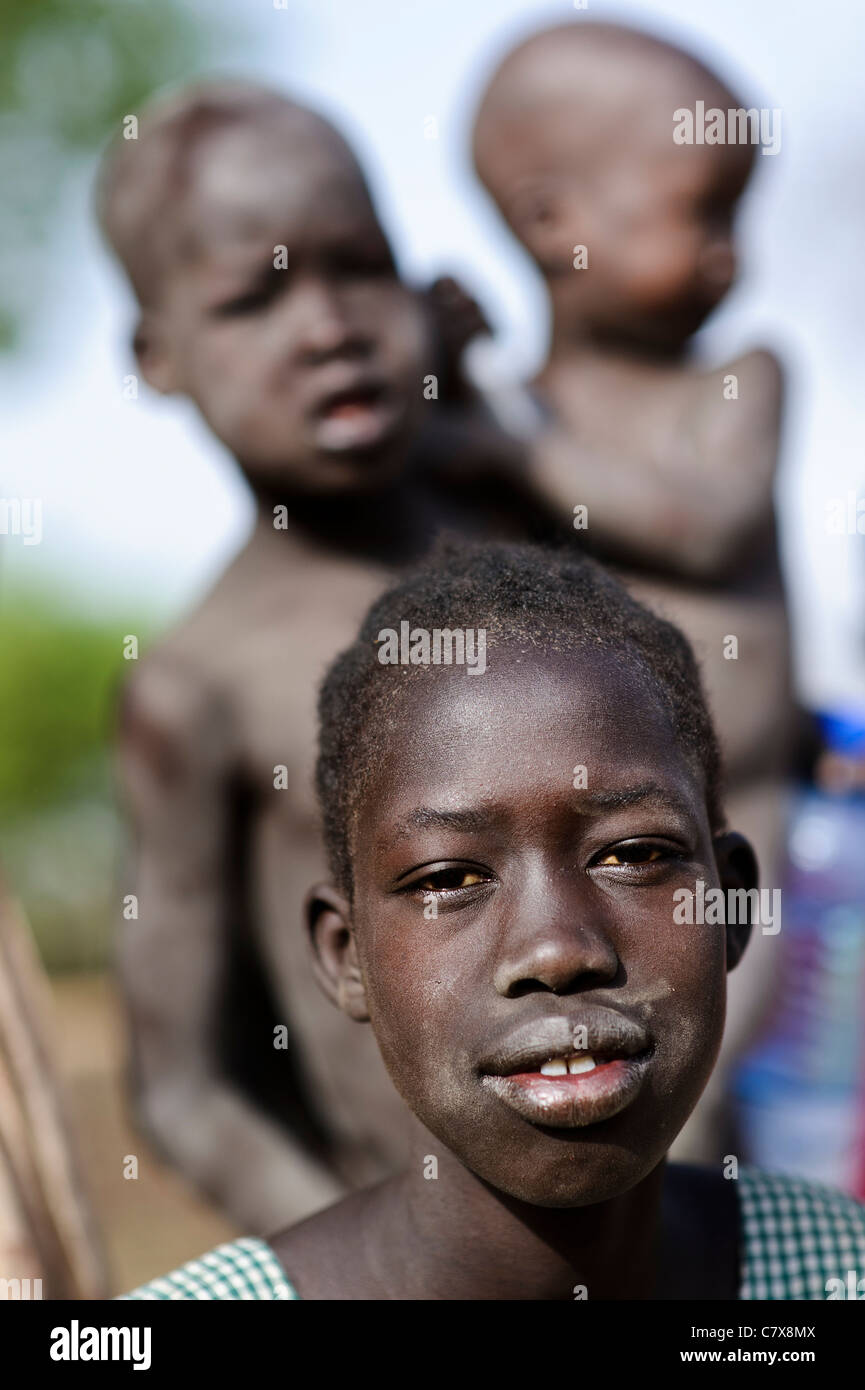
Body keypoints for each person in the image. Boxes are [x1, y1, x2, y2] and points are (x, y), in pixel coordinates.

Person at [120, 541, 865, 1300]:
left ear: (731, 904)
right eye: (448, 879)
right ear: (346, 956)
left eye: (633, 854)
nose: (557, 951)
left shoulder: (837, 1269)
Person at [99, 80, 536, 1234]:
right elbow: (184, 1089)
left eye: (362, 266)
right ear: (158, 355)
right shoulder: (198, 685)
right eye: (255, 298)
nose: (331, 326)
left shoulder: (555, 531)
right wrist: (374, 1271)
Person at [471, 20, 796, 1160]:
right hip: (587, 845)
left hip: (748, 812)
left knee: (710, 1082)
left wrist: (502, 447)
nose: (729, 257)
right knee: (616, 1086)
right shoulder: (494, 417)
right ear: (551, 222)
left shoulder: (737, 381)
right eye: (700, 213)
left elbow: (709, 523)